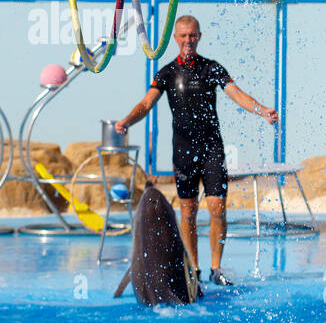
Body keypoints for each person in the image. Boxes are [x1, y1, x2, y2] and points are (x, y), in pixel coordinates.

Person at [115, 15, 278, 286]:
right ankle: (195, 269)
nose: (188, 40)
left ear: (199, 36)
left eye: (192, 35)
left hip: (212, 148)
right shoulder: (166, 73)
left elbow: (236, 94)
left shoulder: (211, 68)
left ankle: (216, 268)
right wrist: (126, 121)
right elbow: (146, 104)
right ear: (176, 38)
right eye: (183, 36)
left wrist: (263, 111)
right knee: (188, 212)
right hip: (183, 151)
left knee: (217, 208)